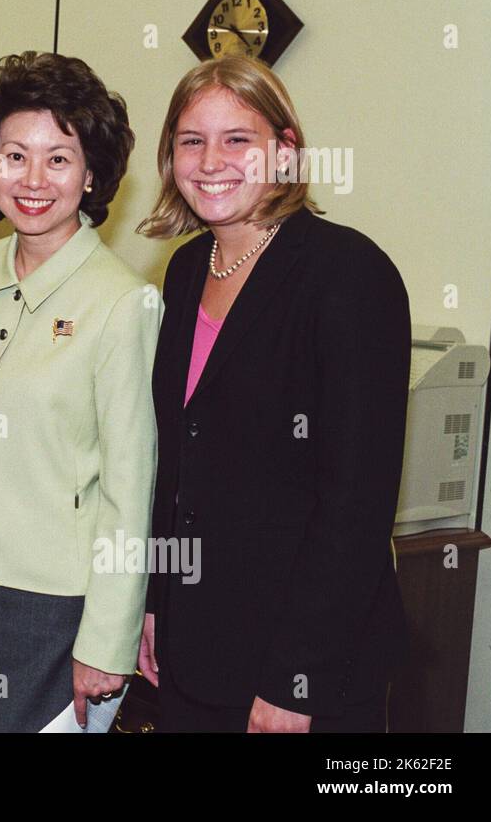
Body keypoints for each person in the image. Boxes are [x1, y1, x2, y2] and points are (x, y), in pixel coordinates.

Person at [136, 55, 410, 732]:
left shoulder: (348, 274)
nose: (211, 161)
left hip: (298, 668)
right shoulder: (185, 270)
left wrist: (297, 677)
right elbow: (174, 465)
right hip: (192, 648)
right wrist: (151, 603)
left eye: (238, 140)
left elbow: (356, 504)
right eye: (191, 141)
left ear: (285, 152)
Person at [0, 52, 158, 732]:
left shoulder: (123, 302)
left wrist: (108, 639)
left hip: (54, 601)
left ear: (93, 173)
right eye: (15, 155)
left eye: (59, 158)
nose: (34, 179)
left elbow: (130, 488)